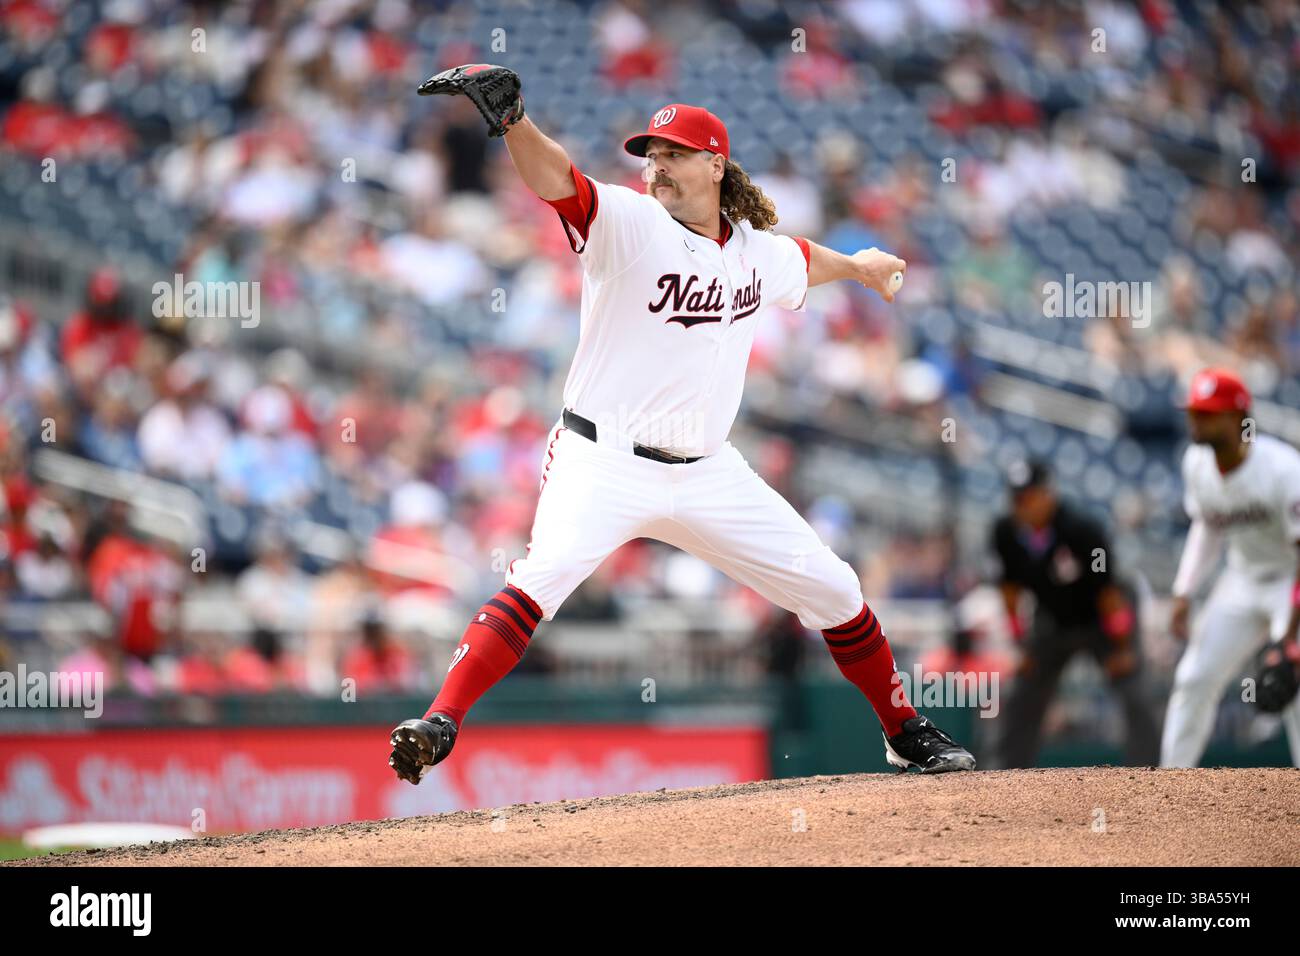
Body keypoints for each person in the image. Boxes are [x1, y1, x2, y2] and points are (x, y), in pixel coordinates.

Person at [388, 70, 975, 784]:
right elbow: (559, 180)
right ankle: (441, 719)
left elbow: (798, 259)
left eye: (673, 152)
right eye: (651, 153)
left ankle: (902, 730)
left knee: (834, 587)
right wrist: (514, 122)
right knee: (539, 578)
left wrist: (859, 266)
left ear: (715, 164)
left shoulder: (754, 248)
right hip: (602, 459)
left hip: (707, 471)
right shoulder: (630, 224)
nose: (656, 165)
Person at [1161, 368, 1300, 767]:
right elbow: (1207, 527)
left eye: (1208, 413)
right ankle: (1167, 787)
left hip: (1290, 581)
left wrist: (1289, 638)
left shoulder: (1283, 468)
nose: (1196, 420)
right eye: (1194, 411)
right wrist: (1183, 590)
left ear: (1238, 418)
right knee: (1193, 678)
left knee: (1292, 685)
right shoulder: (1196, 463)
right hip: (1241, 579)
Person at [991, 459, 1159, 768]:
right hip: (1053, 620)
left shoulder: (1081, 530)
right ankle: (1007, 771)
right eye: (1016, 498)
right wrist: (1021, 645)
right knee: (1023, 694)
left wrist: (1122, 647)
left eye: (1028, 496)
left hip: (1101, 616)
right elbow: (1010, 591)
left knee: (1133, 690)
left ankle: (1149, 769)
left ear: (1047, 495)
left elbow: (1109, 594)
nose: (1021, 506)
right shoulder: (1006, 533)